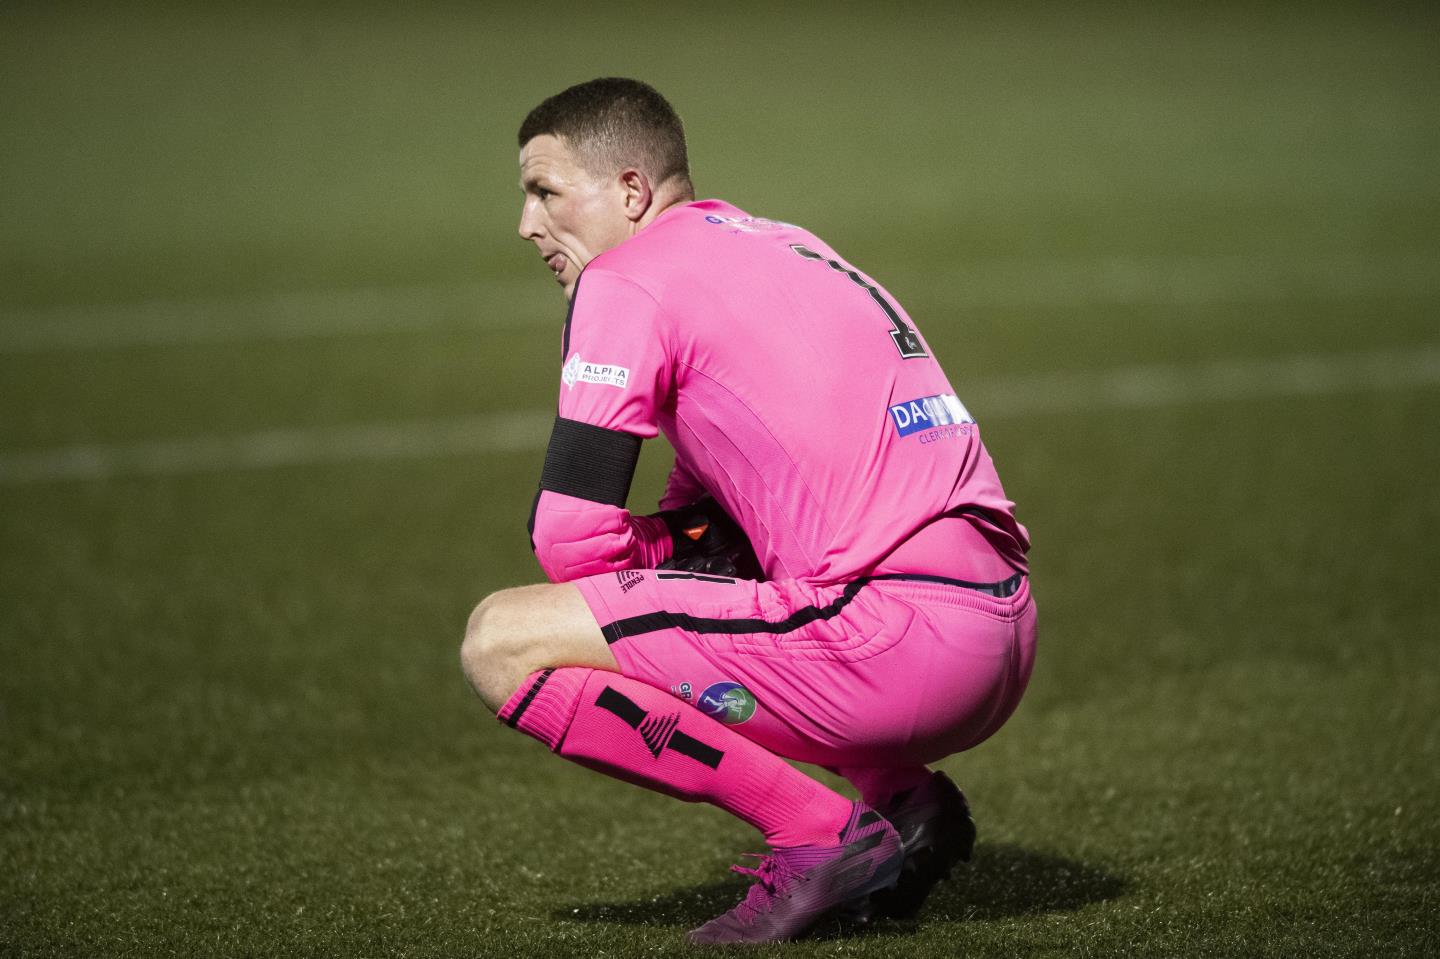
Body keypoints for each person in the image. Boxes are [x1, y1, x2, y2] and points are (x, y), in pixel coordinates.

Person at [460, 77, 1037, 945]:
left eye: (544, 191)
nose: (526, 224)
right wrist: (681, 546)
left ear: (629, 190)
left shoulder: (623, 282)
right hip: (1005, 629)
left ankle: (819, 836)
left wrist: (659, 551)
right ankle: (905, 802)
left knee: (502, 640)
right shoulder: (788, 243)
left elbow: (570, 540)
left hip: (891, 643)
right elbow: (709, 524)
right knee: (747, 585)